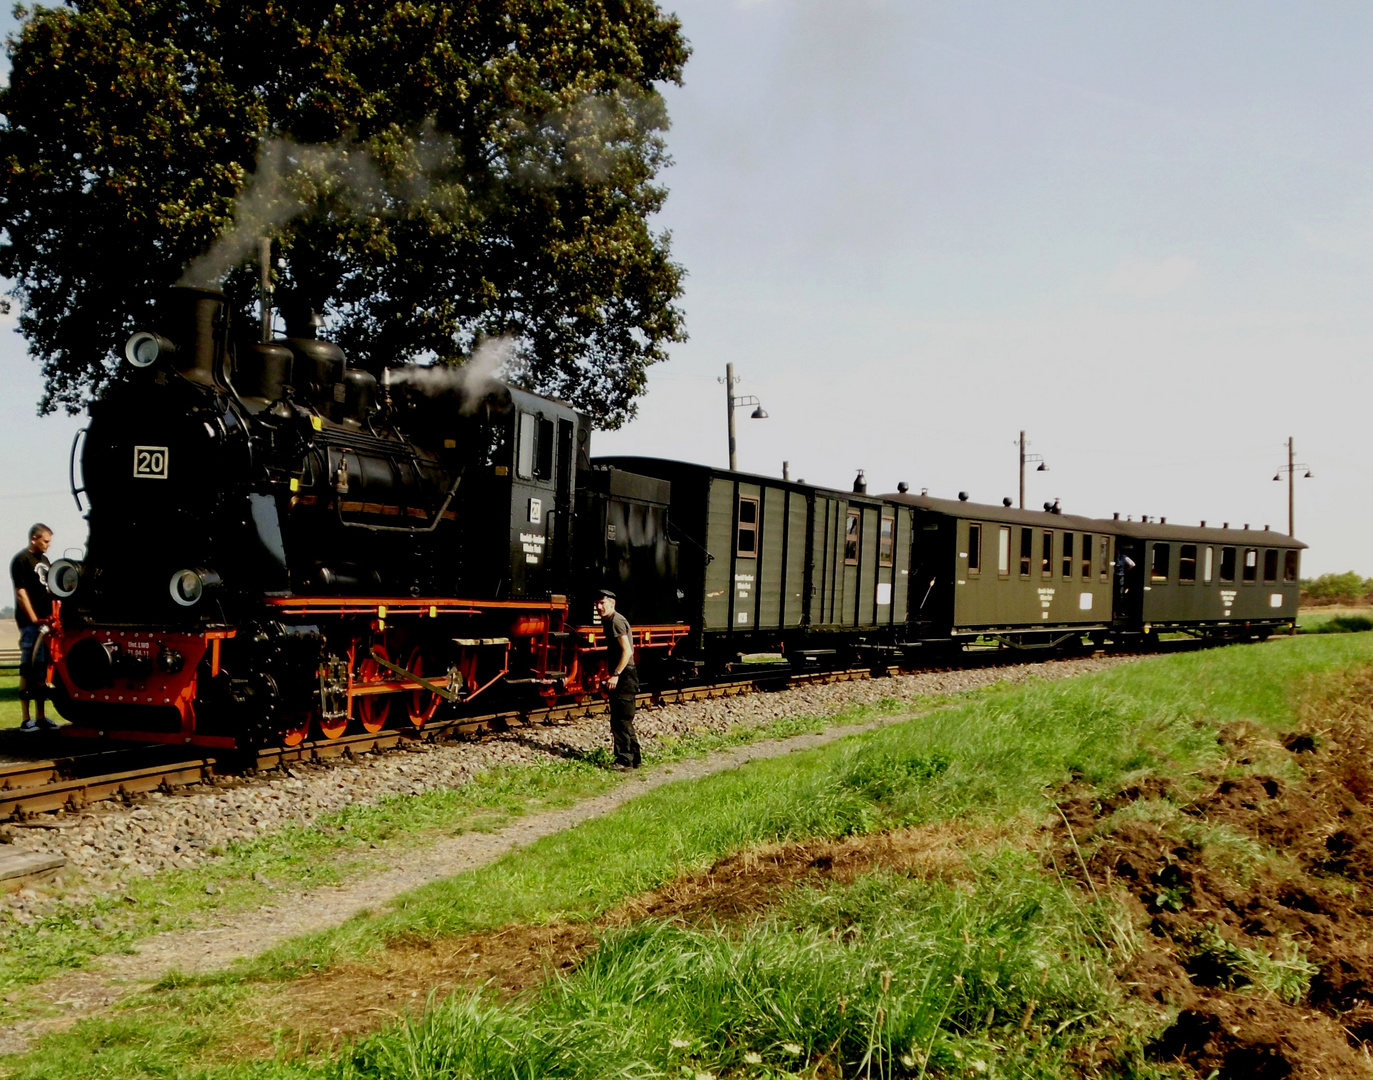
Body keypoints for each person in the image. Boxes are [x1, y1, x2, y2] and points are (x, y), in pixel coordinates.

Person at [13, 523, 56, 732]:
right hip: (31, 626)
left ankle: (41, 717)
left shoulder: (45, 561)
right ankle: (26, 719)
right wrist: (34, 618)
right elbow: (21, 593)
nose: (48, 545)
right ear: (34, 538)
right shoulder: (21, 560)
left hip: (46, 624)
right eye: (45, 541)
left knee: (41, 671)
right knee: (28, 668)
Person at [595, 589, 640, 770]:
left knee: (620, 720)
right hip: (625, 674)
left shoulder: (616, 621)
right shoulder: (610, 621)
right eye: (597, 603)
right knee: (623, 719)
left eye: (602, 603)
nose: (599, 607)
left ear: (612, 603)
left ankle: (624, 760)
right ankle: (635, 758)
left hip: (625, 675)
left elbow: (627, 651)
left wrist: (615, 674)